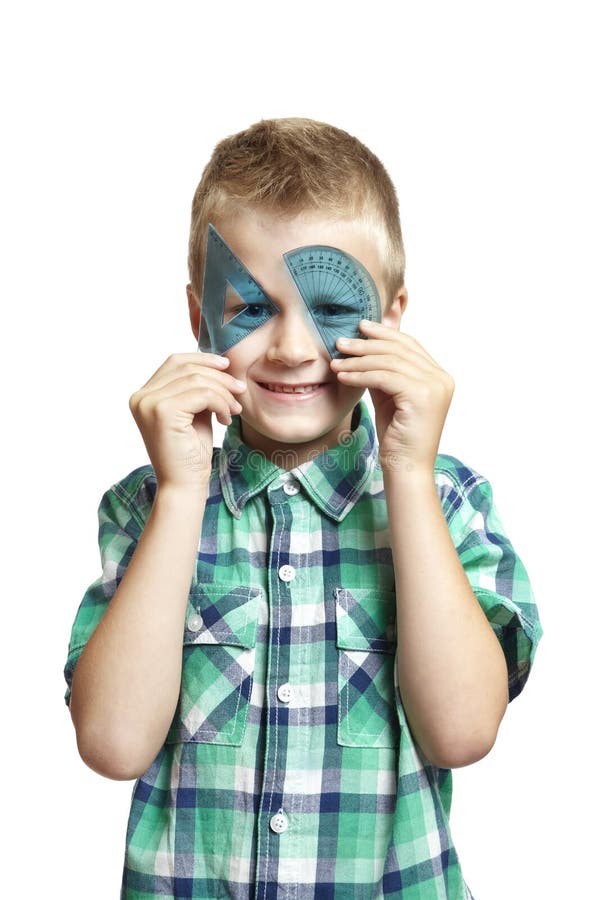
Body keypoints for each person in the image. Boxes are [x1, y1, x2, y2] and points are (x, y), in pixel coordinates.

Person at [64, 117, 542, 899]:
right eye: (250, 308)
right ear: (198, 318)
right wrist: (183, 491)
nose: (291, 349)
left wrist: (410, 476)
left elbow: (461, 733)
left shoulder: (447, 500)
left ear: (392, 319)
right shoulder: (149, 505)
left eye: (330, 307)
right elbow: (113, 743)